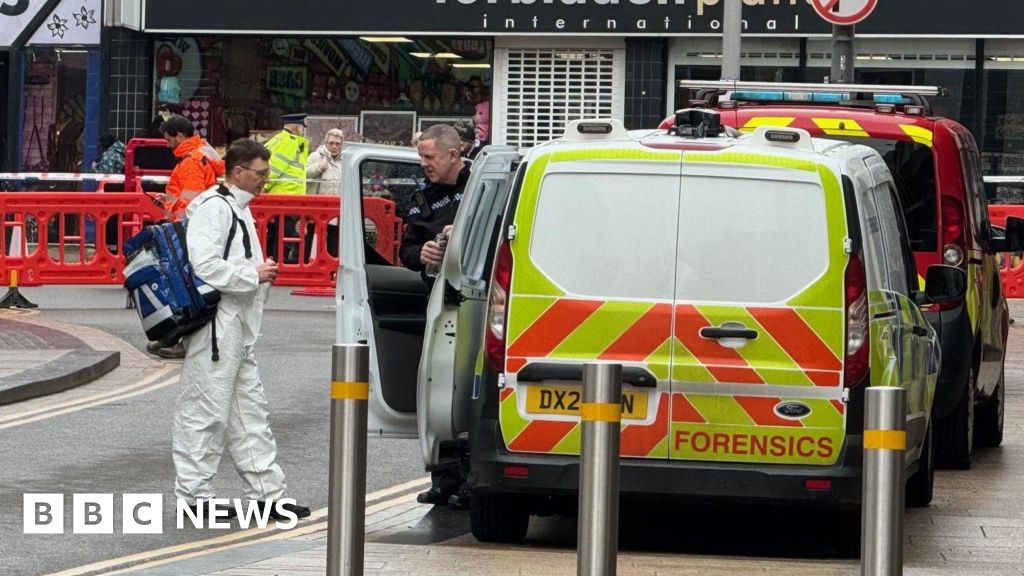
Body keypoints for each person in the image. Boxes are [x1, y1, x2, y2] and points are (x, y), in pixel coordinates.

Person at [172, 138, 311, 521]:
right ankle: (194, 499)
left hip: (235, 328)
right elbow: (205, 265)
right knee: (205, 412)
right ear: (238, 172)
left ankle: (267, 496)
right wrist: (254, 273)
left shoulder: (235, 207)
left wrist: (253, 274)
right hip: (218, 328)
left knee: (249, 414)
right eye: (261, 173)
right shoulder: (215, 208)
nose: (266, 180)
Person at [398, 124, 472, 509]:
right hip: (437, 304)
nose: (423, 164)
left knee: (467, 392)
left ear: (453, 155)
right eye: (421, 157)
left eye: (429, 157)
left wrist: (463, 234)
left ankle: (472, 481)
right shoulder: (421, 197)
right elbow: (405, 251)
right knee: (437, 390)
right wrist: (422, 253)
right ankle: (444, 480)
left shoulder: (481, 186)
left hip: (474, 304)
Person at [264, 112, 311, 263]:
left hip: (280, 197)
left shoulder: (279, 139)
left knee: (276, 235)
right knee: (285, 237)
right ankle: (280, 264)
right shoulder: (289, 142)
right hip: (287, 198)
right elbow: (274, 169)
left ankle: (274, 262)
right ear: (297, 127)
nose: (304, 130)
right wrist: (263, 188)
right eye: (303, 126)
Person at [161, 114, 225, 221]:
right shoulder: (197, 155)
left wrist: (178, 226)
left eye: (168, 140)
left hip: (187, 226)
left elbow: (191, 200)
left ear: (179, 136)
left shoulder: (191, 161)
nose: (167, 145)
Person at [306, 128, 344, 196]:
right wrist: (318, 168)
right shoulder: (315, 156)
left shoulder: (345, 161)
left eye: (337, 144)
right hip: (318, 203)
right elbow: (303, 175)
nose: (334, 146)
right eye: (331, 143)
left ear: (341, 145)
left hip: (339, 204)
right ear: (326, 143)